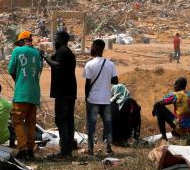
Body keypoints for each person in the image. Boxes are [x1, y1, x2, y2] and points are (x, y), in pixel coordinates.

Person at [7, 30, 42, 159]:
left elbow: (11, 69)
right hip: (34, 92)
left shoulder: (17, 51)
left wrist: (18, 79)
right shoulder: (38, 54)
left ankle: (22, 149)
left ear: (22, 41)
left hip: (21, 92)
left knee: (17, 120)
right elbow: (39, 71)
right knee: (30, 123)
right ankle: (31, 150)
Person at [43, 29, 77, 158]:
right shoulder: (67, 52)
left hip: (63, 92)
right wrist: (50, 57)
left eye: (56, 38)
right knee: (69, 120)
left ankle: (65, 151)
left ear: (62, 39)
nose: (54, 41)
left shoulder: (63, 52)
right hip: (70, 91)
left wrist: (44, 57)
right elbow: (57, 63)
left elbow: (56, 65)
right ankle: (68, 149)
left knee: (61, 120)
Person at [83, 39, 118, 156]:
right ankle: (108, 148)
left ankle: (91, 149)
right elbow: (115, 81)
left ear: (96, 48)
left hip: (93, 100)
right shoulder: (110, 64)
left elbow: (87, 84)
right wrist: (106, 78)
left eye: (92, 46)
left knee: (91, 126)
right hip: (106, 100)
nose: (91, 49)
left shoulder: (89, 64)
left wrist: (86, 98)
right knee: (108, 125)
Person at [153, 77, 190, 143]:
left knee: (159, 108)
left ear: (178, 85)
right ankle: (187, 137)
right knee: (184, 117)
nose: (174, 86)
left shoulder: (176, 95)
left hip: (182, 128)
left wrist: (154, 110)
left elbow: (158, 103)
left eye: (175, 84)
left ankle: (164, 138)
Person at [110, 82, 141, 146]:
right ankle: (131, 138)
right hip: (123, 134)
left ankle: (109, 140)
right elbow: (137, 119)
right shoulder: (130, 101)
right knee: (135, 117)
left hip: (110, 136)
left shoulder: (110, 102)